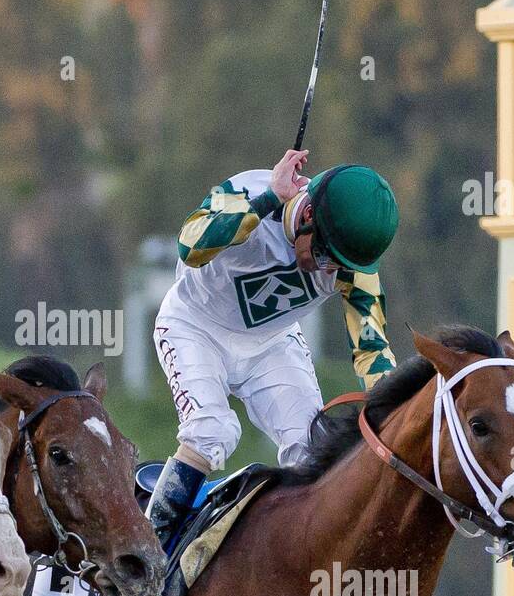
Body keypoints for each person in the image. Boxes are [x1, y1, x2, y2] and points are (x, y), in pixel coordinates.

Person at [147, 147, 400, 549]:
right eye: (324, 256)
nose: (330, 271)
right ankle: (146, 556)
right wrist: (266, 203)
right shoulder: (252, 188)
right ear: (307, 216)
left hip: (272, 344)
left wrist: (397, 419)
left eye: (340, 264)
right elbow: (189, 247)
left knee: (313, 451)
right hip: (193, 326)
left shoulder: (352, 268)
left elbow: (373, 351)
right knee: (210, 432)